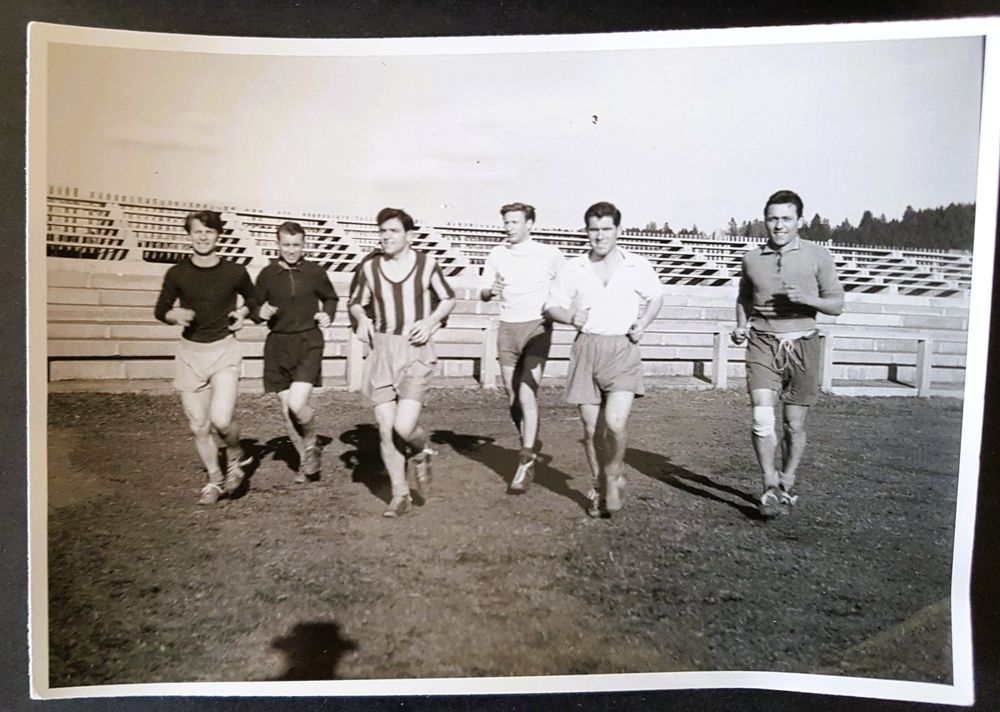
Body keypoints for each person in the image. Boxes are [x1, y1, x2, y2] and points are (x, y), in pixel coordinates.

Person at [544, 202, 663, 518]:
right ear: (587, 232)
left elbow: (656, 297)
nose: (600, 236)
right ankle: (598, 486)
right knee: (591, 429)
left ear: (618, 231)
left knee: (615, 422)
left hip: (622, 349)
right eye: (594, 229)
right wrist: (570, 316)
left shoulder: (636, 265)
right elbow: (551, 306)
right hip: (587, 350)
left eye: (606, 229)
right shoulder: (573, 268)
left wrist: (643, 323)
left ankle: (614, 473)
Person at [731, 190, 844, 517]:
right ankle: (769, 485)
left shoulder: (817, 255)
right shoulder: (752, 258)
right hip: (763, 341)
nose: (778, 226)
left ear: (799, 221)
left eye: (785, 219)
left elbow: (836, 305)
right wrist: (741, 324)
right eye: (772, 219)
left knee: (793, 425)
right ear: (765, 220)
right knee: (762, 417)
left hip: (804, 345)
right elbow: (744, 298)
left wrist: (809, 298)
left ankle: (787, 479)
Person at [348, 208, 456, 518]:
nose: (385, 236)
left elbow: (448, 298)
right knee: (385, 428)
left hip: (416, 350)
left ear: (409, 236)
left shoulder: (426, 264)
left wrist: (431, 320)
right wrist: (362, 318)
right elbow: (356, 302)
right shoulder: (370, 268)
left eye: (393, 231)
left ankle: (421, 451)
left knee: (403, 426)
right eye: (382, 230)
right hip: (383, 351)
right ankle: (400, 493)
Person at [154, 210, 257, 505]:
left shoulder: (234, 272)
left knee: (221, 421)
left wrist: (242, 313)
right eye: (197, 231)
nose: (203, 237)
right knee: (198, 424)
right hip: (190, 355)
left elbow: (252, 299)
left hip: (224, 350)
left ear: (218, 235)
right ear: (189, 235)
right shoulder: (177, 273)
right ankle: (215, 480)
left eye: (209, 232)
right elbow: (161, 309)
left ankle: (236, 454)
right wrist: (175, 315)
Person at [480, 202, 564, 493]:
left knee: (528, 392)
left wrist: (554, 307)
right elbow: (484, 290)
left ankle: (526, 458)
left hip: (537, 328)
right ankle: (531, 440)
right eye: (506, 222)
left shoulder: (549, 254)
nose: (508, 227)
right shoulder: (497, 253)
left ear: (530, 224)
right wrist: (492, 290)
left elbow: (564, 285)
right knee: (512, 397)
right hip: (507, 328)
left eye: (514, 222)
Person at [253, 221, 339, 483]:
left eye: (296, 245)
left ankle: (312, 443)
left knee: (297, 404)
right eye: (286, 245)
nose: (291, 250)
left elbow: (331, 298)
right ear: (278, 245)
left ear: (304, 245)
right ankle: (306, 463)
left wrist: (327, 315)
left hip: (308, 342)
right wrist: (260, 312)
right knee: (286, 410)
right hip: (278, 345)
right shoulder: (267, 274)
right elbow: (254, 305)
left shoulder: (314, 272)